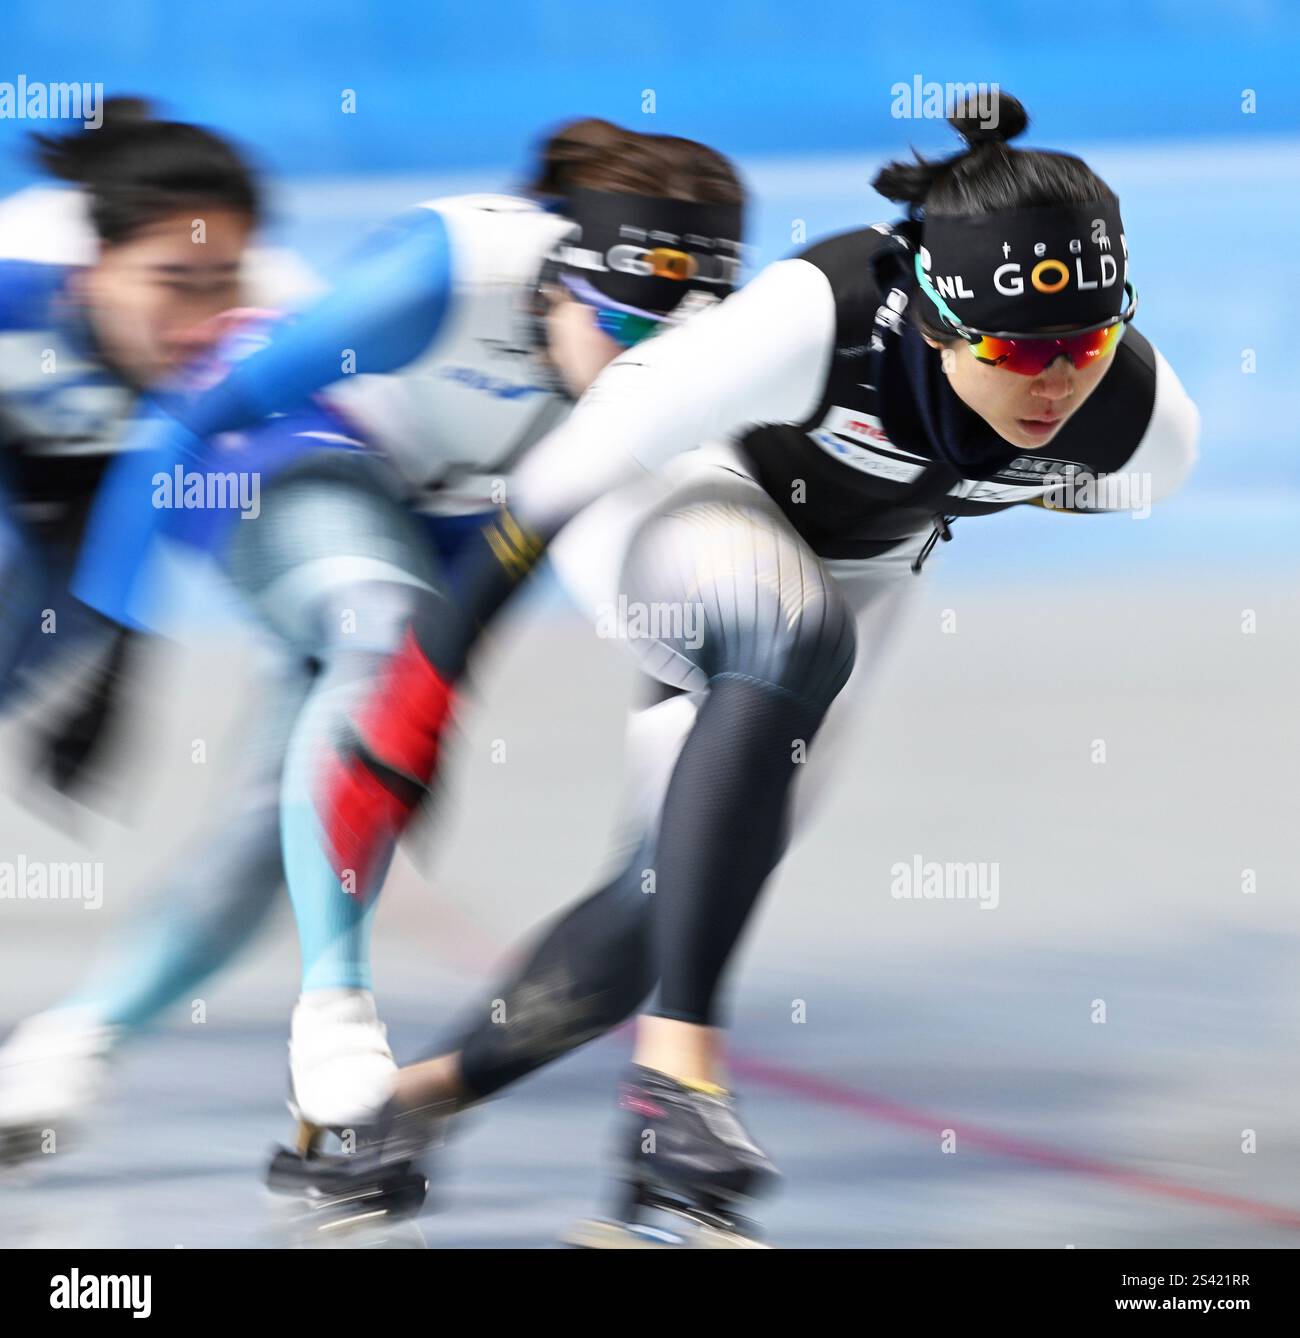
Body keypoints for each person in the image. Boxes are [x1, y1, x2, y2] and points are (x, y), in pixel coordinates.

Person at [298, 95, 1200, 1245]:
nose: (1057, 378)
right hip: (668, 495)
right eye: (1017, 347)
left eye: (1088, 339)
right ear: (927, 321)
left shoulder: (1139, 434)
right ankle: (680, 1089)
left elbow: (1048, 465)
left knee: (662, 905)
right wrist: (421, 696)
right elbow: (537, 504)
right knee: (790, 628)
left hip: (859, 571)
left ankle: (399, 1113)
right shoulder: (809, 318)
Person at [70, 119, 749, 1163]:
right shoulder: (444, 276)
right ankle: (336, 1015)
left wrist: (436, 700)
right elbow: (185, 421)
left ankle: (75, 1039)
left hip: (441, 514)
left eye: (673, 348)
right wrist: (111, 652)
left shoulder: (657, 374)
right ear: (557, 278)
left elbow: (508, 553)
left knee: (280, 827)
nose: (636, 371)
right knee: (380, 635)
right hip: (296, 448)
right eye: (619, 326)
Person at [0, 98, 323, 1161]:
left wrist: (115, 679)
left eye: (223, 282)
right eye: (171, 286)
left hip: (107, 544)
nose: (199, 322)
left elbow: (156, 504)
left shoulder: (280, 336)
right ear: (92, 269)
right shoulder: (14, 304)